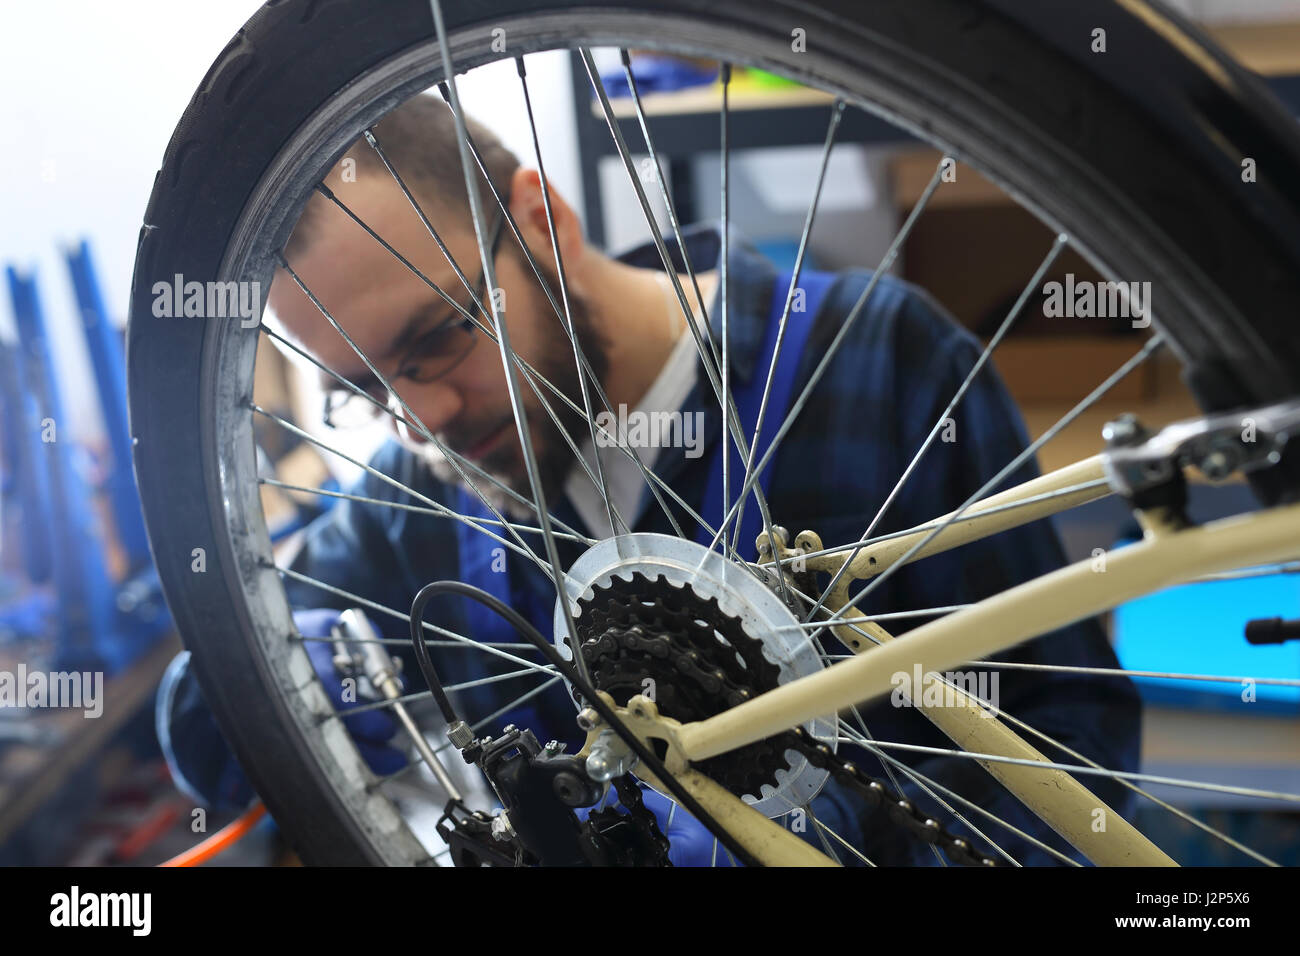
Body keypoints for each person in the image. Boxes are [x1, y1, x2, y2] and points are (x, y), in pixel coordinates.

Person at [157, 93, 1140, 866]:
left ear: (541, 220)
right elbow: (201, 723)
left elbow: (1071, 737)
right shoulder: (408, 502)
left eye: (443, 335)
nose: (426, 420)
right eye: (364, 387)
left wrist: (838, 839)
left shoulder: (876, 362)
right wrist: (274, 684)